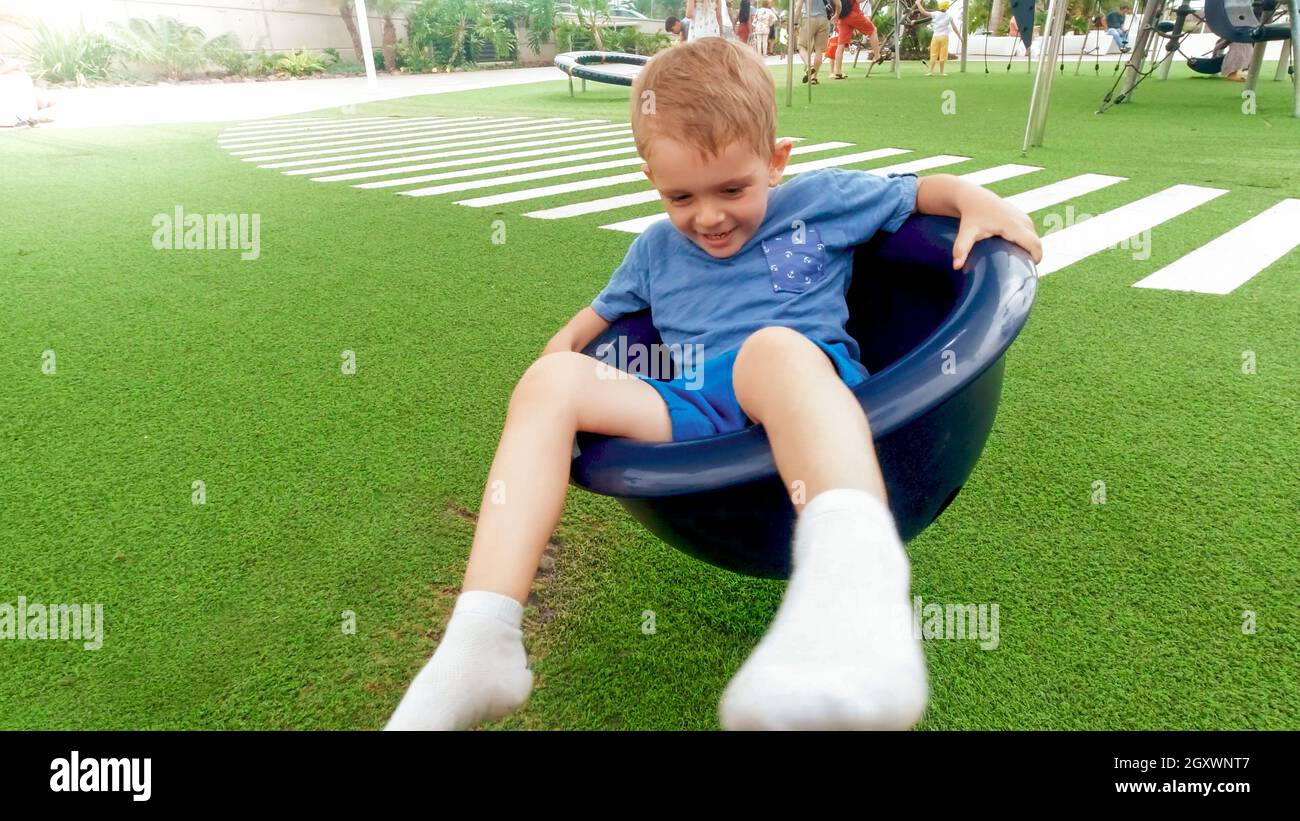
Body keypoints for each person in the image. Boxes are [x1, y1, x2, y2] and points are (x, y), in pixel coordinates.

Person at [384, 37, 1042, 732]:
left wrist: (977, 200)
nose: (708, 216)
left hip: (805, 385)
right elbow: (597, 318)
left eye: (732, 188)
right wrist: (558, 358)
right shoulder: (654, 249)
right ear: (652, 180)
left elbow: (917, 191)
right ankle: (481, 636)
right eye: (681, 196)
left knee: (770, 348)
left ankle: (855, 590)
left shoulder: (818, 201)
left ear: (776, 161)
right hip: (694, 397)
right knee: (549, 382)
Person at [830, 0, 881, 79]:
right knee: (872, 30)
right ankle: (877, 56)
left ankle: (838, 72)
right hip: (853, 14)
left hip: (842, 18)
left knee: (841, 45)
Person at [0, 56, 54, 127]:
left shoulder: (13, 65)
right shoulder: (13, 65)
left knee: (44, 102)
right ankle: (31, 115)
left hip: (20, 101)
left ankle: (31, 115)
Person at [794, 0, 838, 83]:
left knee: (801, 46)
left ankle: (810, 65)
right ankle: (814, 77)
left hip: (809, 19)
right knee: (819, 50)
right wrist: (837, 15)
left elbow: (799, 6)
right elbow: (838, 3)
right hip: (824, 20)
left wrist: (795, 23)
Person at [920, 0, 954, 76]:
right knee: (943, 55)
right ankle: (942, 72)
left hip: (936, 37)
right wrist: (960, 37)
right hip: (944, 37)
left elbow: (923, 12)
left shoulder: (935, 14)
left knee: (933, 54)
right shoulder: (949, 16)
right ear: (947, 8)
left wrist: (918, 3)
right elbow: (954, 28)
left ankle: (931, 72)